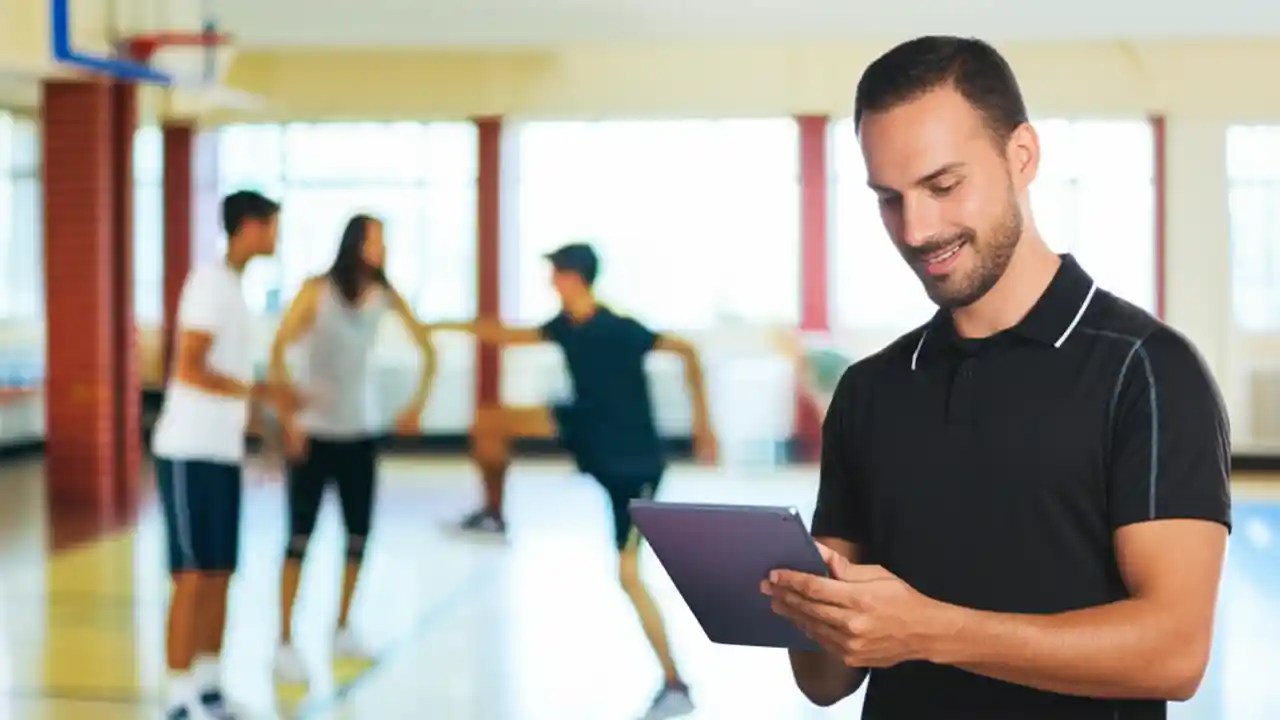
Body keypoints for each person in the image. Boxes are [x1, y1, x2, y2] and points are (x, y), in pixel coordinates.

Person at [763, 36, 1232, 719]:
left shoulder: (1149, 371)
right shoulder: (869, 391)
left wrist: (930, 631)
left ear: (1022, 156)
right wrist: (803, 599)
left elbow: (1174, 653)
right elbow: (825, 682)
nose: (916, 229)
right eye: (889, 198)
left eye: (943, 186)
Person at [439, 242, 717, 719]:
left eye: (555, 272)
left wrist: (703, 424)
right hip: (585, 430)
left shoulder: (620, 328)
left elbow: (687, 351)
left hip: (632, 461)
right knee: (491, 423)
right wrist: (443, 326)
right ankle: (493, 515)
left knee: (628, 575)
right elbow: (505, 335)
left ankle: (675, 684)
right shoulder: (563, 327)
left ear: (572, 276)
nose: (550, 281)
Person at [267, 214, 437, 684]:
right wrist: (288, 417)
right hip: (313, 432)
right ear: (355, 243)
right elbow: (278, 350)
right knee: (298, 539)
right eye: (375, 240)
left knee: (358, 536)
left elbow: (428, 350)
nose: (381, 248)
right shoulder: (316, 291)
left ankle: (343, 627)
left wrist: (415, 405)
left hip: (360, 432)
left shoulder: (384, 294)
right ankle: (284, 641)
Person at [151, 190, 286, 720]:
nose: (276, 236)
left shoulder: (235, 288)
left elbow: (229, 377)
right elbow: (189, 367)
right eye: (272, 226)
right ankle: (178, 696)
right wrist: (255, 392)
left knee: (220, 571)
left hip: (223, 453)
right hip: (187, 451)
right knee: (190, 576)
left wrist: (265, 434)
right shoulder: (208, 283)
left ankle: (209, 687)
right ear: (249, 226)